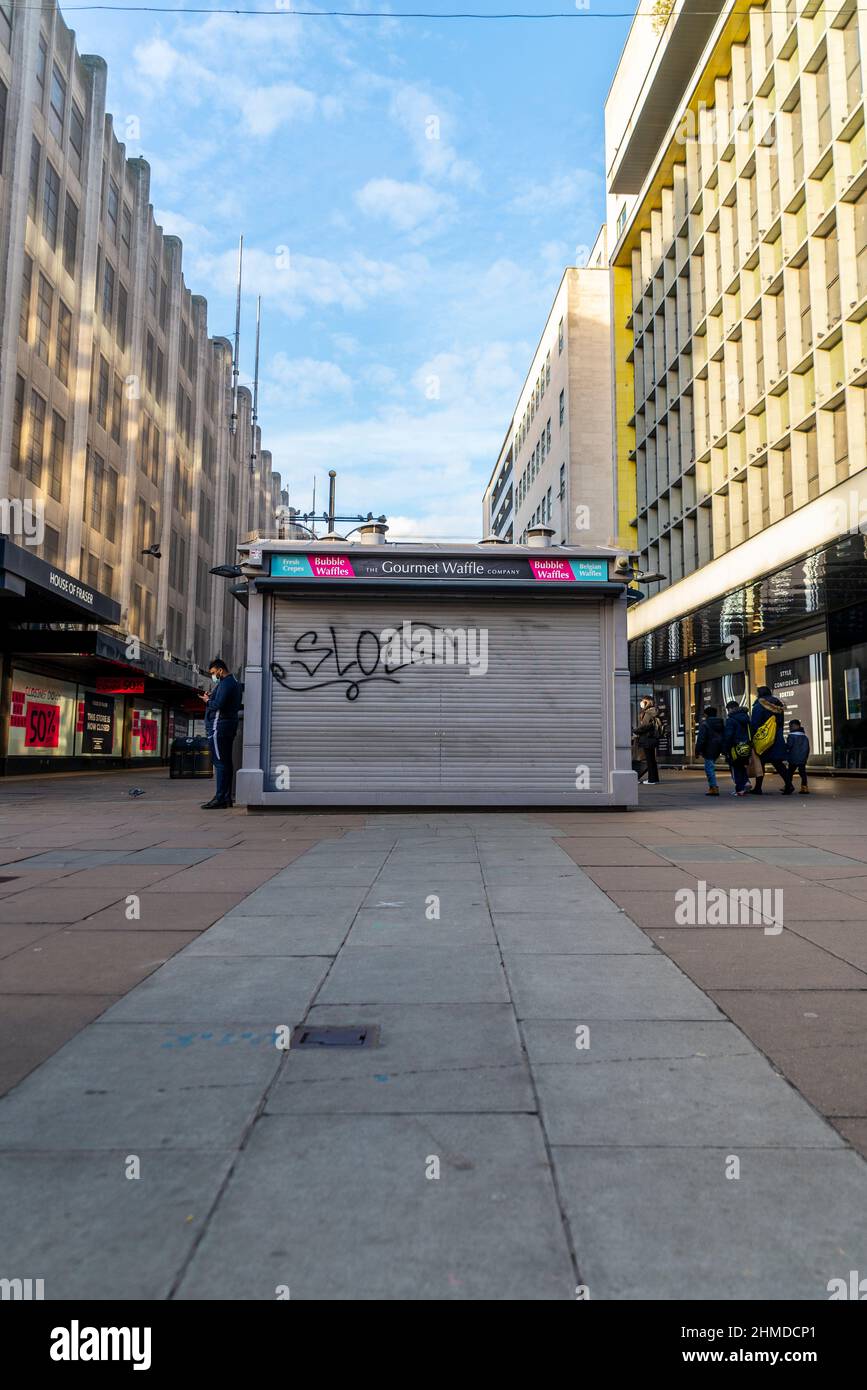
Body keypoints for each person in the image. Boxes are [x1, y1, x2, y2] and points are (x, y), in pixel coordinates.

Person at [201, 657, 242, 809]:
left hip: (219, 727)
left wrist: (207, 701)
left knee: (219, 763)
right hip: (228, 725)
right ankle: (226, 797)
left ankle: (220, 798)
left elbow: (219, 705)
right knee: (226, 762)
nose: (213, 676)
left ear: (220, 670)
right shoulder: (234, 683)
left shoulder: (226, 683)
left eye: (213, 672)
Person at [749, 685, 793, 795]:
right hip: (776, 737)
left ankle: (758, 788)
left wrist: (753, 738)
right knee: (778, 763)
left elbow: (755, 723)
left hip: (763, 739)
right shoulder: (778, 705)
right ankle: (789, 784)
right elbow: (780, 723)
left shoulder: (759, 705)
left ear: (760, 694)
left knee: (760, 763)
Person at [723, 699, 752, 796]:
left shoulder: (731, 720)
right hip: (746, 746)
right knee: (742, 766)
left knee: (735, 768)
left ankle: (740, 789)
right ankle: (746, 782)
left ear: (730, 709)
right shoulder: (746, 718)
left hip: (735, 747)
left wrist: (725, 748)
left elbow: (728, 735)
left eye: (728, 709)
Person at [695, 704, 725, 796]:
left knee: (709, 768)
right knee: (711, 767)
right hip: (718, 748)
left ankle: (713, 787)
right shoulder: (721, 723)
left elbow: (701, 739)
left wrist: (697, 751)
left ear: (706, 715)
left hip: (709, 748)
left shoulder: (705, 724)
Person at [632, 696, 663, 785]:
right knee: (652, 760)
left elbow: (645, 726)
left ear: (647, 702)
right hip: (652, 738)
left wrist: (635, 730)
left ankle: (651, 780)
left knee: (649, 760)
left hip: (647, 739)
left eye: (643, 701)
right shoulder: (654, 711)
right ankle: (654, 779)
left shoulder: (648, 713)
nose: (641, 702)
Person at [785, 718, 811, 794]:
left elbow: (789, 746)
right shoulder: (805, 737)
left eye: (791, 726)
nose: (790, 728)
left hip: (793, 758)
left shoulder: (791, 736)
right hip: (802, 758)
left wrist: (784, 747)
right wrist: (805, 757)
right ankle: (804, 787)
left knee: (789, 773)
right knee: (803, 773)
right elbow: (808, 748)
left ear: (796, 726)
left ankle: (788, 786)